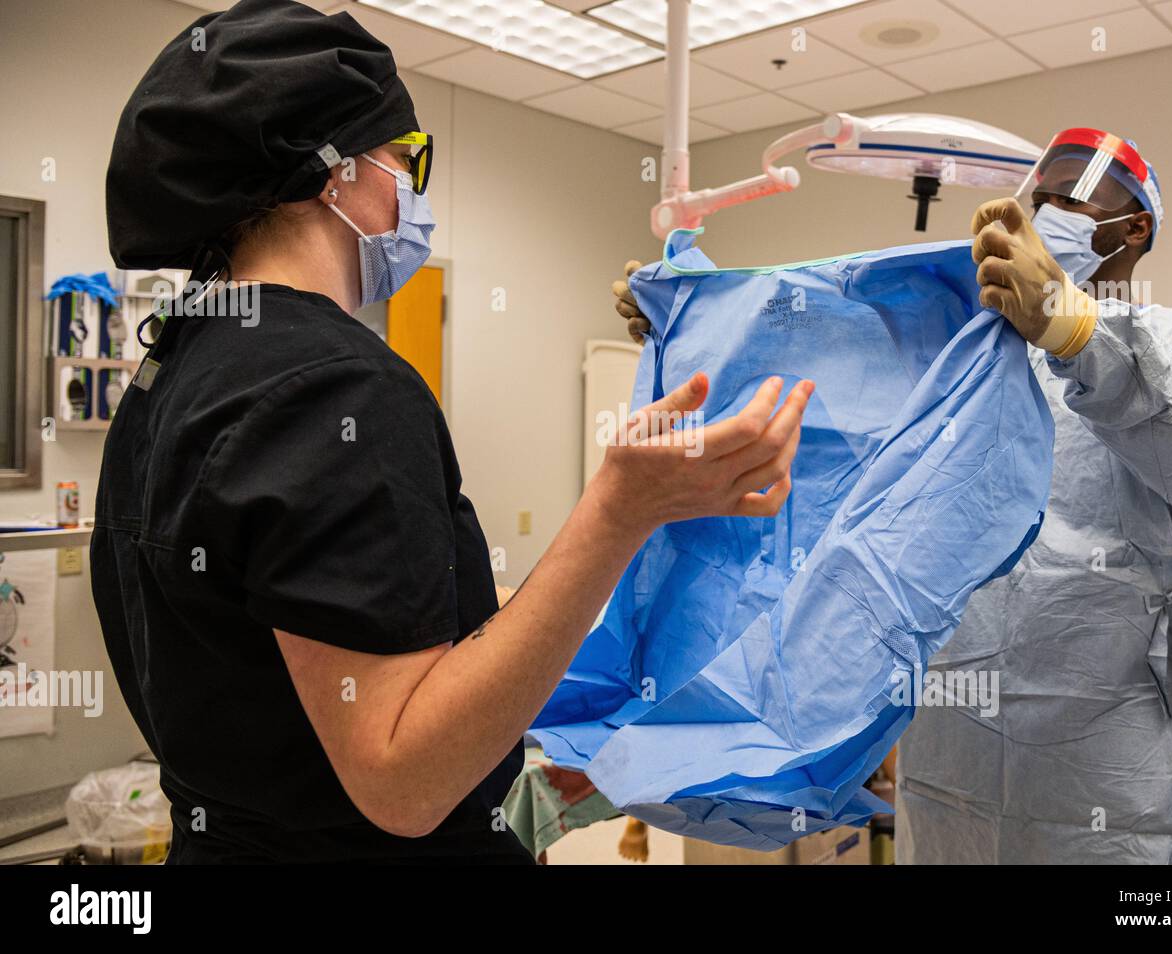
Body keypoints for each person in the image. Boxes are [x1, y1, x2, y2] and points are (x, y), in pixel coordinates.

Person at [93, 0, 812, 864]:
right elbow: (404, 780)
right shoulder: (336, 387)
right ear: (336, 173)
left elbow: (299, 645)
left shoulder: (174, 367)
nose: (414, 190)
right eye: (406, 159)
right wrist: (620, 509)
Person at [615, 129, 1172, 864]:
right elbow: (826, 390)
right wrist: (694, 322)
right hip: (952, 730)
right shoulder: (959, 338)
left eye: (1073, 197)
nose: (1048, 209)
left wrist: (1070, 325)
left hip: (1105, 735)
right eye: (1042, 195)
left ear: (1135, 226)